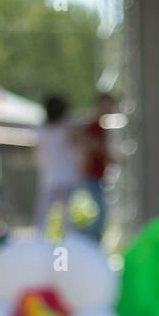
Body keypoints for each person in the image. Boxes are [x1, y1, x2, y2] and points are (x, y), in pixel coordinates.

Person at [34, 93, 81, 234]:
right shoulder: (66, 130)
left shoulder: (41, 131)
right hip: (66, 178)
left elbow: (38, 154)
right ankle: (70, 245)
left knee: (41, 220)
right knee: (68, 220)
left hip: (50, 179)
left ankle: (40, 244)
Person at [80, 92, 115, 243]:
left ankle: (90, 241)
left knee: (102, 212)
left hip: (98, 175)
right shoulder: (93, 125)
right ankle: (87, 240)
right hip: (92, 175)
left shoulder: (99, 126)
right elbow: (90, 147)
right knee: (102, 212)